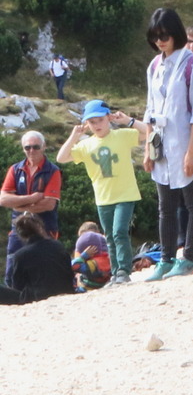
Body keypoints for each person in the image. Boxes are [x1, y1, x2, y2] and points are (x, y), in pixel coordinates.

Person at [142, 6, 193, 280]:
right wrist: (147, 150)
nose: (160, 41)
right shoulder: (154, 66)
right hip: (161, 146)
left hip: (185, 142)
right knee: (165, 207)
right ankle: (166, 259)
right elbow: (150, 110)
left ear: (176, 34)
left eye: (165, 35)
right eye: (155, 36)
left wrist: (191, 152)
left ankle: (190, 257)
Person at [56, 99, 141, 284]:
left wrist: (128, 120)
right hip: (103, 198)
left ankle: (124, 270)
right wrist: (74, 136)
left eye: (100, 120)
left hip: (125, 194)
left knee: (119, 232)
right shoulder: (86, 145)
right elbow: (61, 158)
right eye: (92, 122)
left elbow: (147, 132)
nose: (96, 125)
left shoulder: (122, 135)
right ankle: (115, 272)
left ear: (108, 117)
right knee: (109, 236)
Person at [1, 131, 63, 264]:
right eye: (27, 147)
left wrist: (18, 205)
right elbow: (3, 199)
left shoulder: (53, 171)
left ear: (44, 147)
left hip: (45, 228)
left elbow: (48, 204)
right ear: (23, 149)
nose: (31, 151)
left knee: (44, 266)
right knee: (13, 265)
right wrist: (33, 198)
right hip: (19, 229)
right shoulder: (15, 169)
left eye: (36, 147)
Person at [1, 209, 73, 303]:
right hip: (66, 291)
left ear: (20, 234)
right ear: (41, 228)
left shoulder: (21, 255)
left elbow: (17, 287)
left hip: (38, 297)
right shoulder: (58, 246)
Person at [73, 221, 110, 290]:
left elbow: (74, 265)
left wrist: (84, 255)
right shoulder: (106, 253)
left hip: (88, 286)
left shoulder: (92, 263)